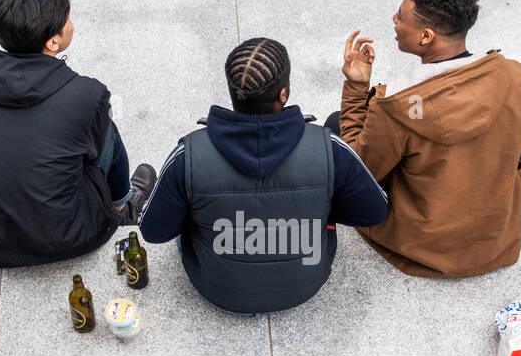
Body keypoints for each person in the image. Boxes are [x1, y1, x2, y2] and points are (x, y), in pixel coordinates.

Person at [139, 38, 388, 315]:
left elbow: (153, 231)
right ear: (283, 94)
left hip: (219, 291)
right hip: (306, 284)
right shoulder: (330, 148)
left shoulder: (188, 155)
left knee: (185, 199)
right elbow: (374, 212)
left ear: (233, 93)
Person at [327, 0, 521, 278]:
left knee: (333, 129)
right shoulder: (514, 75)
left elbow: (362, 172)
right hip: (496, 240)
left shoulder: (399, 105)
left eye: (401, 16)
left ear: (426, 36)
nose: (394, 21)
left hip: (425, 245)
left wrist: (357, 87)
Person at [0, 0, 155, 268]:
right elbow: (92, 151)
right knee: (105, 125)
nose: (71, 21)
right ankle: (123, 205)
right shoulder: (87, 93)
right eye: (68, 16)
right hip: (67, 236)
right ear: (53, 42)